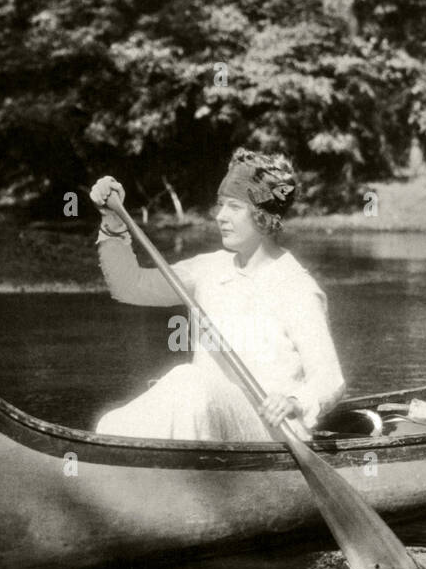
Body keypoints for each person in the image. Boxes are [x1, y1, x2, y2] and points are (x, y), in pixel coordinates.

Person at [89, 149, 346, 441]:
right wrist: (112, 222)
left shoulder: (297, 288)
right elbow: (129, 286)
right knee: (111, 423)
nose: (220, 217)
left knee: (189, 382)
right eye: (221, 205)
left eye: (234, 207)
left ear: (262, 214)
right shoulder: (207, 269)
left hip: (272, 431)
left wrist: (295, 401)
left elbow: (329, 378)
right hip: (204, 419)